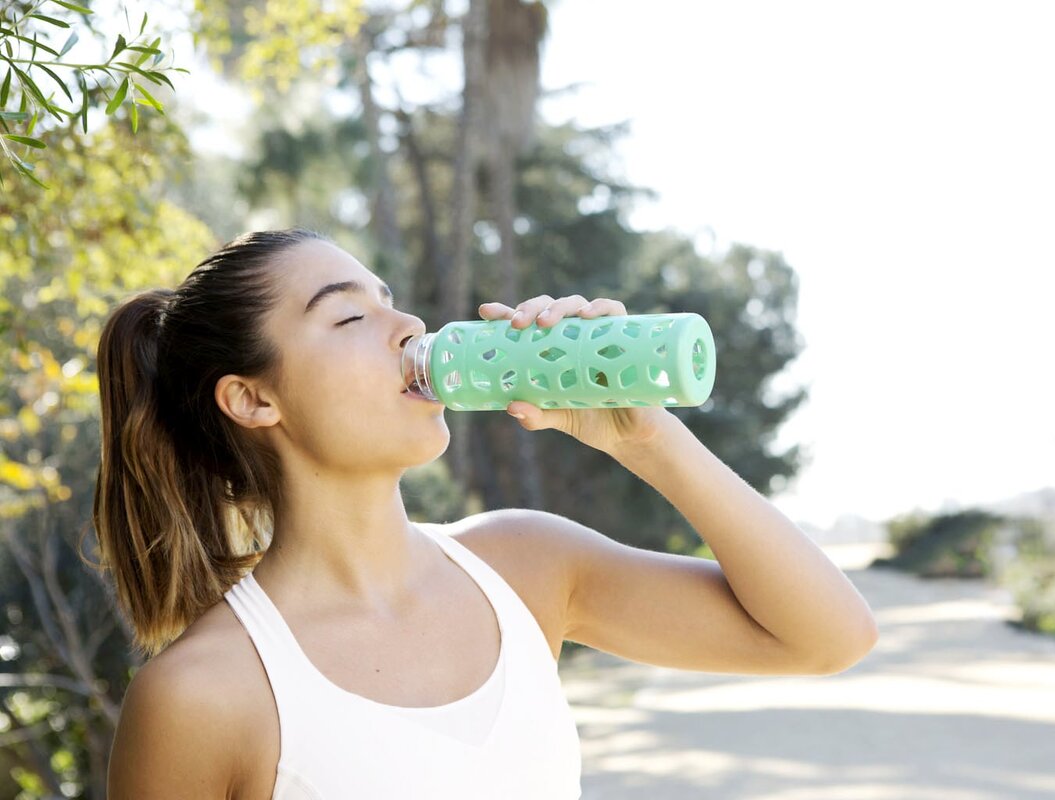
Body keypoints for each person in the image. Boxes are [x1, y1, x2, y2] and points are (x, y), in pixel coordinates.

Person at [98, 228, 879, 798]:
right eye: (348, 318)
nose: (406, 329)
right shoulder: (205, 694)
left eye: (391, 304)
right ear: (253, 397)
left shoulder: (525, 566)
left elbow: (829, 638)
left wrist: (647, 439)